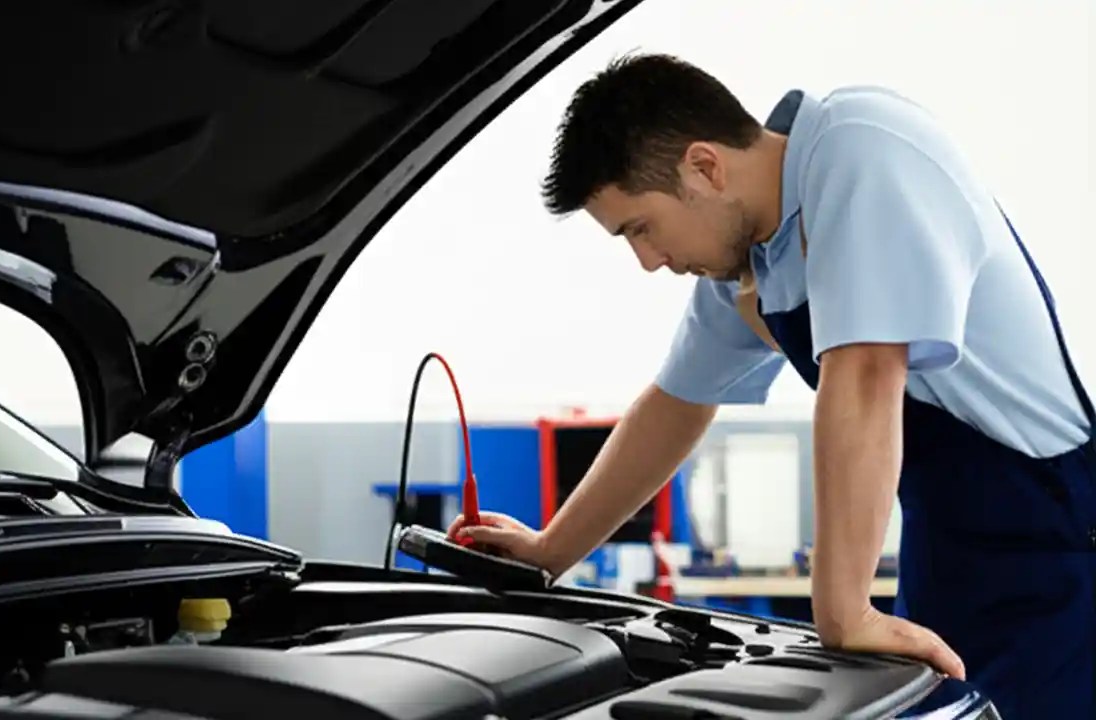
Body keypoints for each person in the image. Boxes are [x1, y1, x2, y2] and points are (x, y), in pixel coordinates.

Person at [446, 53, 1094, 719]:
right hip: (948, 553)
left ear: (704, 167)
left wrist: (839, 611)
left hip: (1061, 550)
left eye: (640, 228)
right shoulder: (754, 255)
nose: (646, 261)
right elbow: (677, 402)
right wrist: (551, 549)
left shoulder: (861, 151)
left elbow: (867, 374)